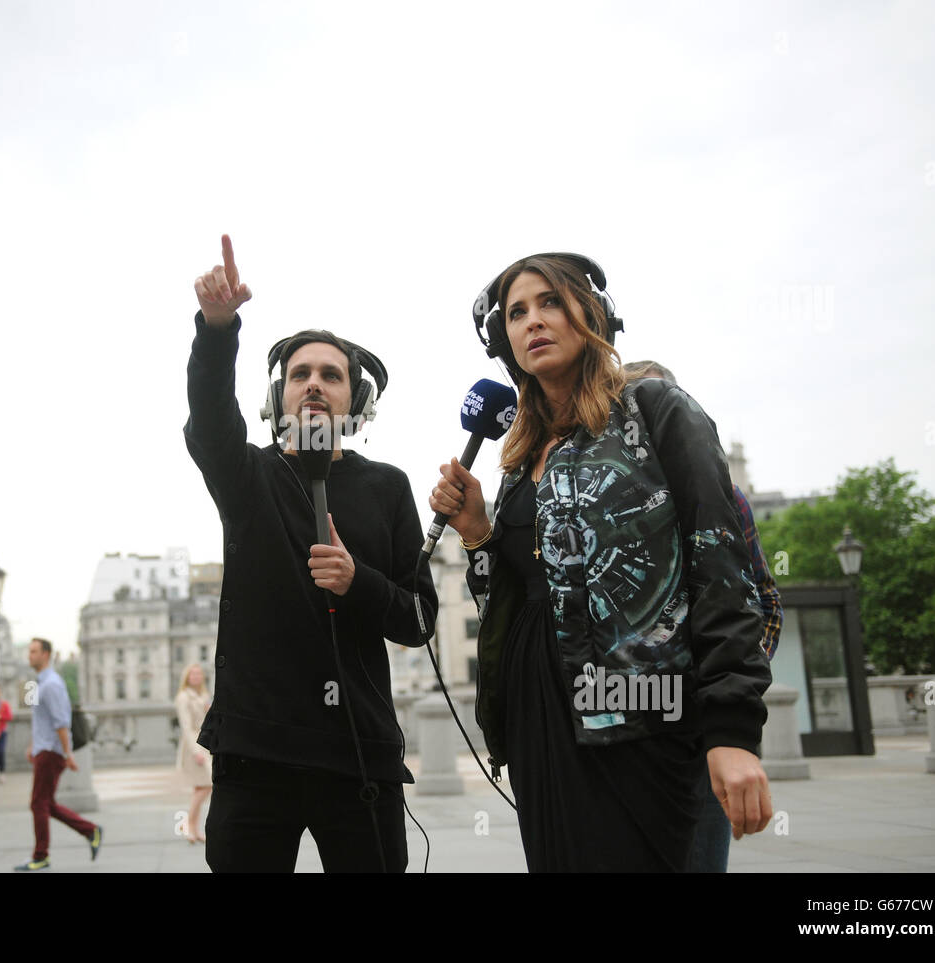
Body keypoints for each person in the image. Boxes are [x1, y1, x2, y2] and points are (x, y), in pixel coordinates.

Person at [430, 252, 773, 872]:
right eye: (516, 312)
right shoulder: (519, 459)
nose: (533, 320)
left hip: (640, 715)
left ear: (591, 315)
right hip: (537, 715)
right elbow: (512, 599)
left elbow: (723, 572)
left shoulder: (658, 410)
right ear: (503, 340)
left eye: (550, 302)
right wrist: (479, 532)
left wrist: (731, 730)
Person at [185, 234, 438, 873]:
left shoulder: (388, 487)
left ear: (357, 400)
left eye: (332, 375)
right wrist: (218, 329)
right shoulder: (247, 476)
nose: (316, 385)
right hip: (253, 754)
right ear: (279, 398)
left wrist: (359, 584)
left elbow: (419, 619)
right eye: (301, 374)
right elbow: (211, 418)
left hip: (359, 755)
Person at [622, 359, 783, 872]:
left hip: (692, 723)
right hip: (619, 724)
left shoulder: (721, 495)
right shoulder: (606, 502)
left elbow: (763, 604)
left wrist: (719, 684)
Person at [15, 638, 101, 871]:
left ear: (46, 654)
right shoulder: (40, 683)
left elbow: (61, 722)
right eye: (29, 651)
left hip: (51, 752)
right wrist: (33, 745)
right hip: (44, 749)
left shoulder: (52, 684)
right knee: (45, 803)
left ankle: (41, 855)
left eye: (33, 651)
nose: (29, 656)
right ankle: (90, 830)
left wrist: (67, 753)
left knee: (38, 804)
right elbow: (40, 721)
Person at [174, 663, 212, 843]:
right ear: (187, 677)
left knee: (201, 787)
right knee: (205, 785)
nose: (196, 676)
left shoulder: (203, 695)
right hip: (193, 745)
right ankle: (189, 826)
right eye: (193, 674)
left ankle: (194, 829)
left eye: (199, 673)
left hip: (204, 743)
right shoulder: (183, 697)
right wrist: (195, 751)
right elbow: (186, 726)